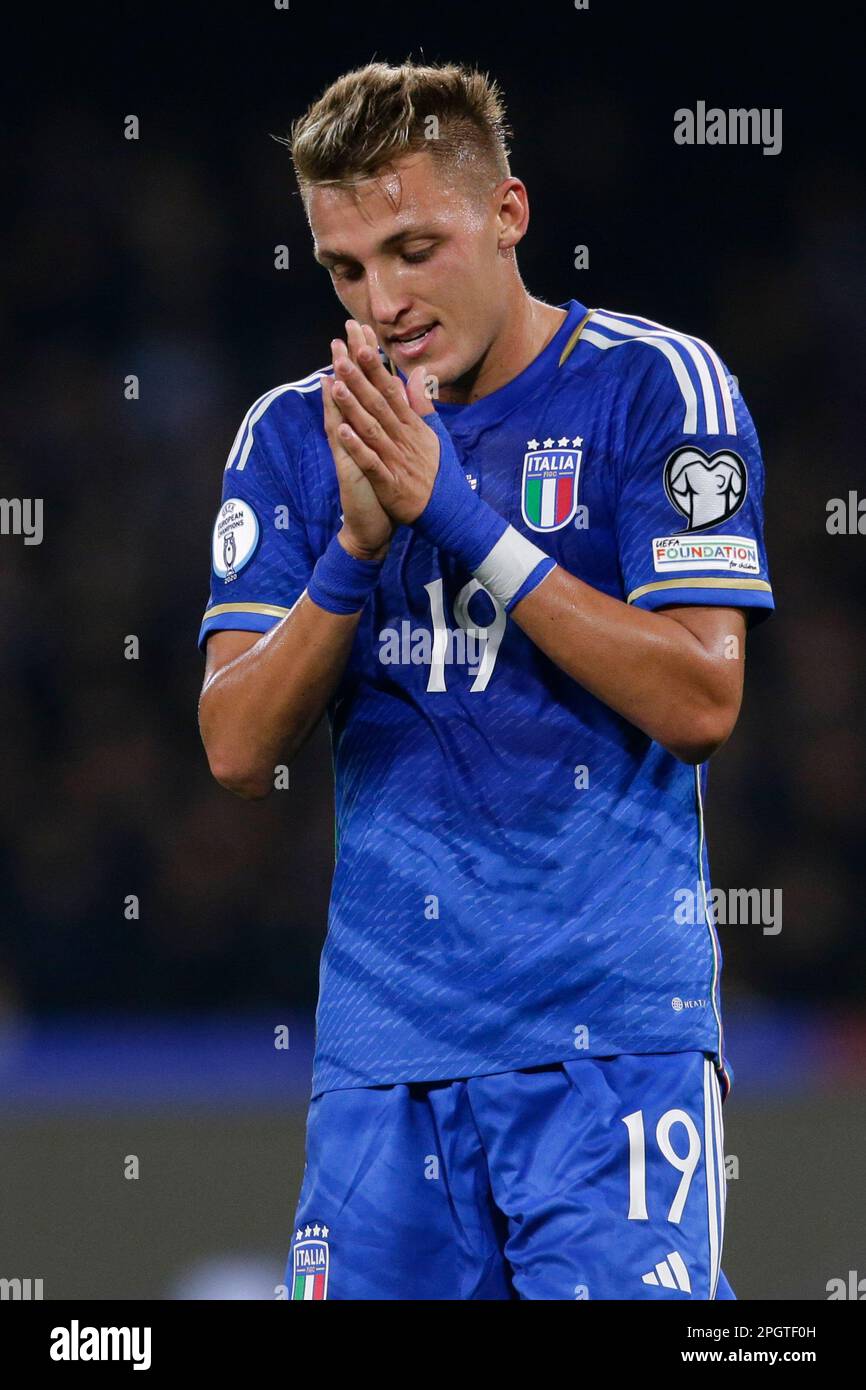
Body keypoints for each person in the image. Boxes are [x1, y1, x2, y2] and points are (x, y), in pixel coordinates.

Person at [197, 60, 774, 1300]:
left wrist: (456, 515)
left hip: (609, 1050)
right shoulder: (294, 436)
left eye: (414, 248)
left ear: (507, 214)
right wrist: (355, 550)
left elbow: (700, 699)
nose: (384, 301)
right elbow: (237, 747)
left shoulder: (654, 387)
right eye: (347, 269)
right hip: (382, 1063)